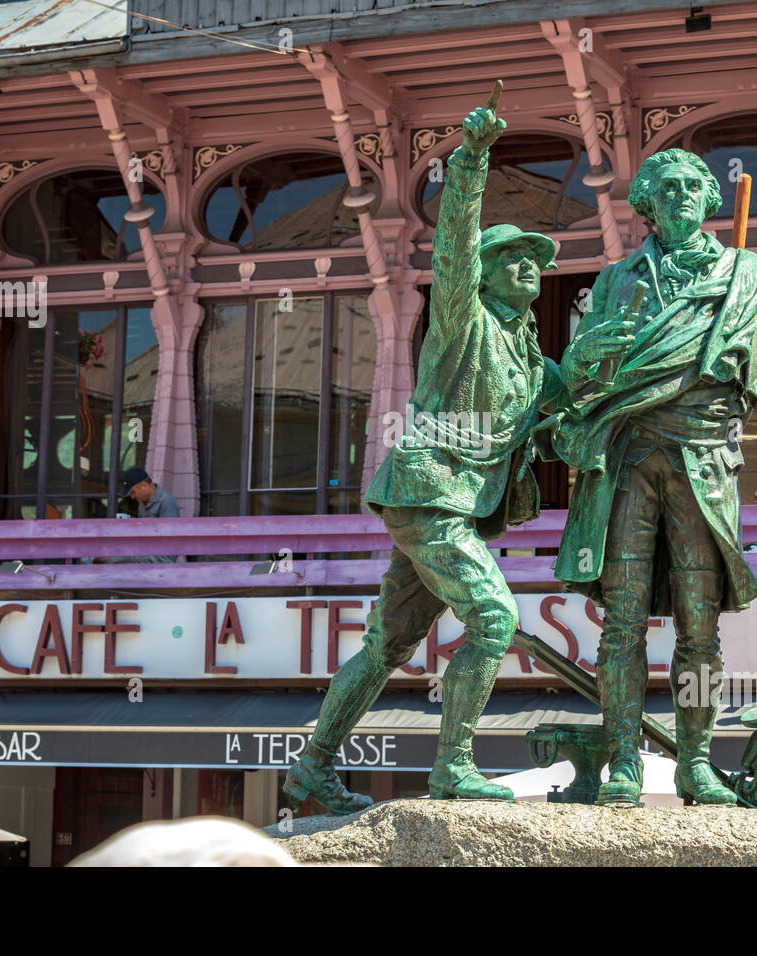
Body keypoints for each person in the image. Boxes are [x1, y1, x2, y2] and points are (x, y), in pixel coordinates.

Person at [537, 147, 757, 807]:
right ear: (649, 202)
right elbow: (579, 381)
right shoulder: (615, 280)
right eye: (670, 187)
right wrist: (579, 360)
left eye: (695, 186)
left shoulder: (747, 275)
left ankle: (695, 764)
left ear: (710, 201)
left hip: (707, 458)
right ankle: (625, 763)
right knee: (622, 619)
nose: (684, 194)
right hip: (627, 457)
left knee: (700, 626)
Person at [282, 85, 569, 814]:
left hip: (451, 507)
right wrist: (470, 162)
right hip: (428, 489)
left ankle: (311, 767)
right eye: (515, 259)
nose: (530, 268)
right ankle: (453, 768)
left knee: (386, 645)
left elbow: (587, 394)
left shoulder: (534, 361)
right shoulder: (462, 321)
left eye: (537, 261)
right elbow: (455, 245)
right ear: (487, 273)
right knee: (494, 618)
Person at [90, 468, 182, 564]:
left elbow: (169, 546)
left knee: (109, 560)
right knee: (105, 554)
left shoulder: (166, 501)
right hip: (144, 551)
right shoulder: (142, 503)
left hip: (161, 557)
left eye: (133, 492)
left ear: (144, 485)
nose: (132, 497)